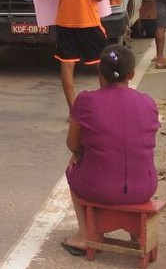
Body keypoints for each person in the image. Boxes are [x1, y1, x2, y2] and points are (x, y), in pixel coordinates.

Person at [60, 44, 159, 256]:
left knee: (73, 168)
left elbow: (73, 144)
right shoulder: (148, 102)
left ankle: (85, 234)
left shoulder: (86, 100)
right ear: (131, 74)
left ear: (99, 72)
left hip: (100, 188)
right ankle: (136, 233)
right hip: (145, 187)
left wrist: (79, 154)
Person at [25, 0, 106, 109]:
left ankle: (72, 111)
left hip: (65, 22)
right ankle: (105, 108)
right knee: (102, 65)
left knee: (67, 66)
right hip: (89, 22)